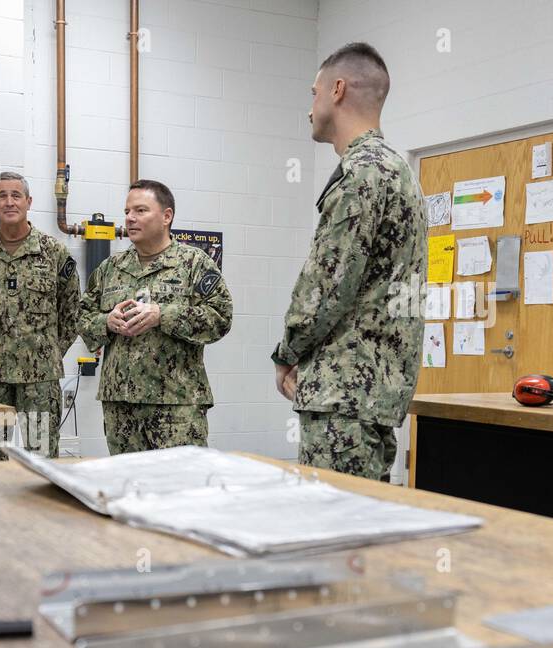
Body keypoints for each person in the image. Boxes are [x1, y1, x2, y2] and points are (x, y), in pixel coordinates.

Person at [271, 42, 427, 482]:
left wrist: (288, 351)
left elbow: (327, 282)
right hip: (376, 391)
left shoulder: (360, 173)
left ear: (337, 90)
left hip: (343, 392)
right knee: (364, 528)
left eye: (314, 92)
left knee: (335, 530)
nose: (310, 106)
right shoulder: (399, 170)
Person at [80, 179, 233, 455]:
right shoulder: (110, 268)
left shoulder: (193, 263)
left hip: (175, 405)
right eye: (127, 211)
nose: (130, 218)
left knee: (179, 489)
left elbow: (220, 317)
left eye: (140, 210)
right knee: (127, 488)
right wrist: (107, 322)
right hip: (120, 406)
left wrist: (163, 315)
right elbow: (81, 317)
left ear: (166, 216)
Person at [0, 171, 79, 459]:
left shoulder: (54, 253)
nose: (9, 202)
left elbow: (72, 311)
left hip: (40, 377)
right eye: (2, 196)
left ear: (28, 201)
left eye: (16, 195)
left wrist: (46, 352)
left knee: (41, 456)